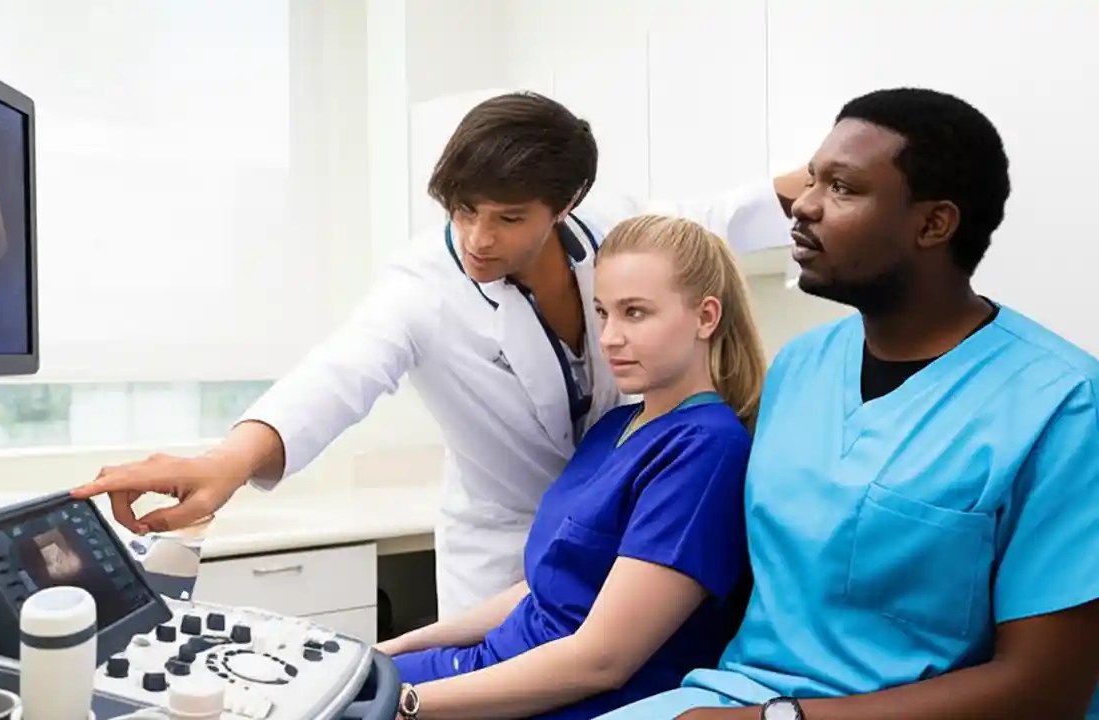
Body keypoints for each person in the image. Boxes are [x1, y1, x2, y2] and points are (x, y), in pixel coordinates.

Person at [71, 91, 806, 618]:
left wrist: (832, 179)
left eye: (508, 218)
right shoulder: (422, 286)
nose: (478, 238)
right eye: (461, 211)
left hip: (626, 522)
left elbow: (712, 221)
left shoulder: (616, 228)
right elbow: (339, 374)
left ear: (567, 204)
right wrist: (220, 465)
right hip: (506, 547)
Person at [598, 87, 1099, 720]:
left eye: (841, 188)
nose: (803, 206)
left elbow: (1046, 689)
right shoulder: (801, 367)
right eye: (812, 180)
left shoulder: (1063, 404)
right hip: (726, 698)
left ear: (933, 224)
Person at [382, 214, 764, 720]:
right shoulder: (615, 427)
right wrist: (403, 646)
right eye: (604, 313)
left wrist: (407, 704)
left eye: (635, 313)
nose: (609, 337)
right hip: (494, 663)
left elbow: (601, 663)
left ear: (706, 317)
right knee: (326, 679)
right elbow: (548, 587)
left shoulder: (705, 451)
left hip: (566, 700)